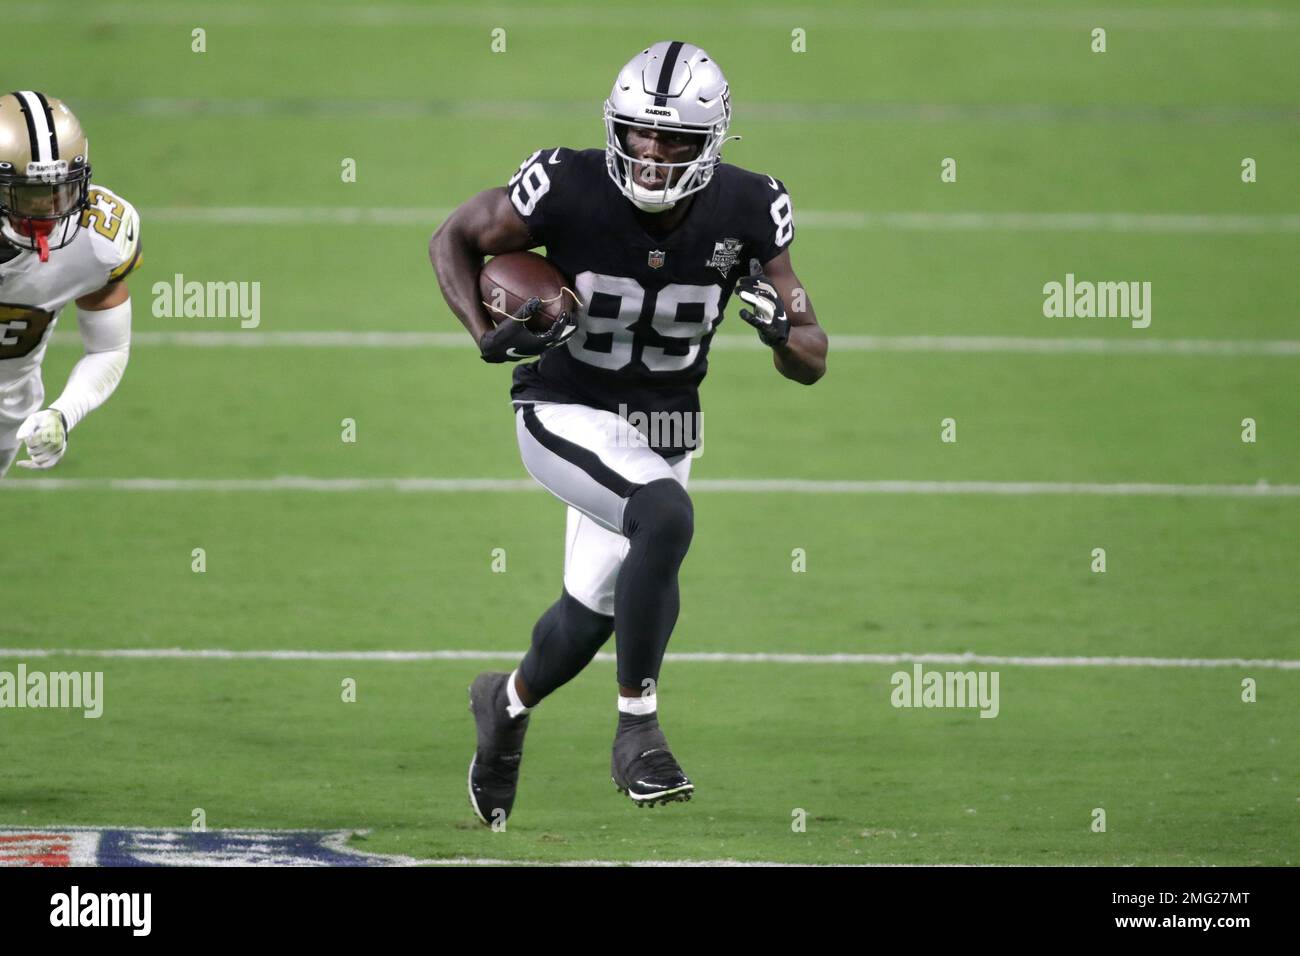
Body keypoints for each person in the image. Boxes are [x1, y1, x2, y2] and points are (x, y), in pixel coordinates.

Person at [429, 41, 827, 825]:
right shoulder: (566, 183)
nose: (650, 152)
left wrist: (783, 332)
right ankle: (638, 729)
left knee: (592, 613)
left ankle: (503, 707)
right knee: (666, 520)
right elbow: (453, 237)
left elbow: (813, 357)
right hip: (563, 407)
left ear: (710, 143)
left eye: (673, 137)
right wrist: (481, 330)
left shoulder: (751, 209)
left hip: (665, 428)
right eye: (638, 132)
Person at [0, 91, 139, 477]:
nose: (48, 207)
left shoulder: (95, 243)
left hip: (6, 411)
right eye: (29, 194)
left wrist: (64, 413)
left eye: (60, 189)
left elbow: (109, 349)